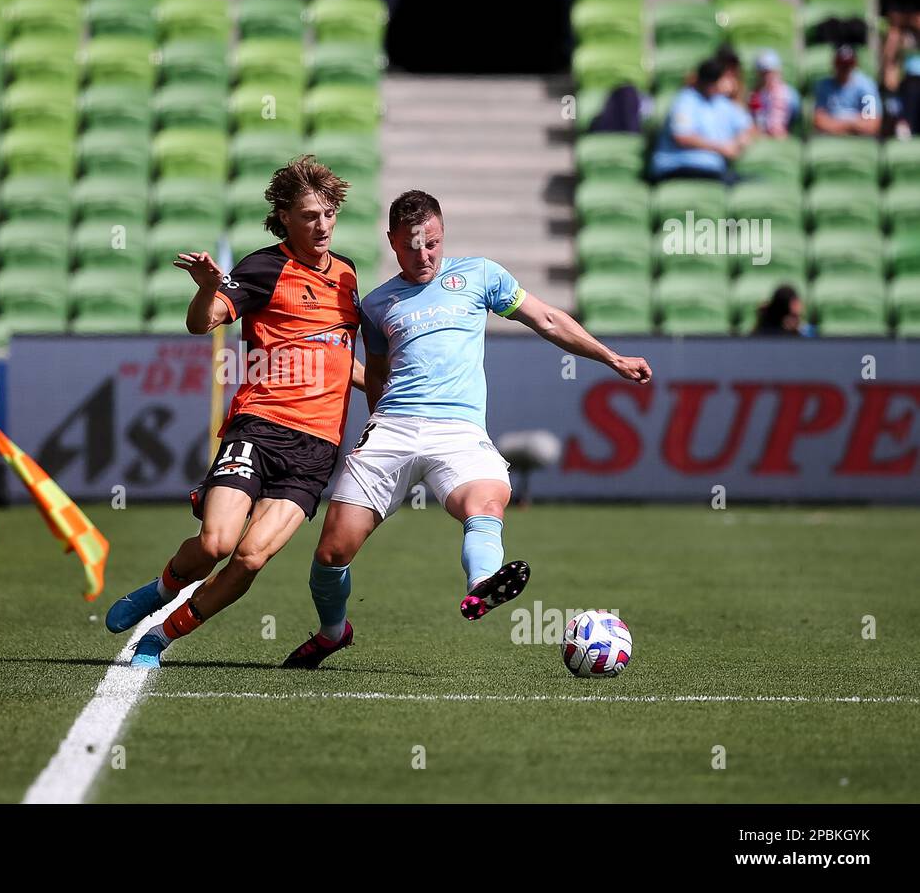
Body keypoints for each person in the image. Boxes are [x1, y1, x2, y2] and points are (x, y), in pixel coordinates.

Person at [281, 190, 653, 668]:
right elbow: (376, 373)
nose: (424, 255)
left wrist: (612, 358)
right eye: (412, 246)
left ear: (442, 235)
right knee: (332, 553)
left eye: (433, 243)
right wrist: (375, 421)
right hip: (392, 428)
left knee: (487, 499)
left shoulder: (479, 275)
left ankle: (481, 584)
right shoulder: (375, 305)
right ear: (392, 241)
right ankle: (333, 633)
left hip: (458, 430)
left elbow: (547, 318)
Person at [103, 156, 366, 669]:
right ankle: (160, 588)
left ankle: (162, 635)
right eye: (310, 215)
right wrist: (206, 288)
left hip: (316, 448)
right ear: (285, 217)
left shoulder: (347, 276)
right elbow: (202, 325)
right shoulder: (264, 267)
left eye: (329, 213)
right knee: (216, 542)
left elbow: (340, 358)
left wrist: (390, 388)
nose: (323, 225)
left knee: (251, 557)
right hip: (260, 428)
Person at [650, 58, 751, 183]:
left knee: (753, 183)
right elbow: (682, 137)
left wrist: (739, 142)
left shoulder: (721, 103)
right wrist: (722, 148)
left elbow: (745, 126)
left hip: (712, 170)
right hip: (679, 167)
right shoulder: (685, 100)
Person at [812, 46, 881, 137]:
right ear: (834, 65)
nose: (844, 69)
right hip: (831, 139)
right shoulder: (824, 86)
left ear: (855, 65)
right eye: (841, 65)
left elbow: (872, 125)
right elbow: (819, 121)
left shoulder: (867, 86)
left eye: (848, 65)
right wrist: (853, 122)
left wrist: (839, 123)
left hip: (860, 139)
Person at [748, 49, 800, 138]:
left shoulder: (790, 94)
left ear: (778, 72)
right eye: (763, 73)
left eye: (771, 72)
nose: (767, 77)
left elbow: (795, 120)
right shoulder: (753, 96)